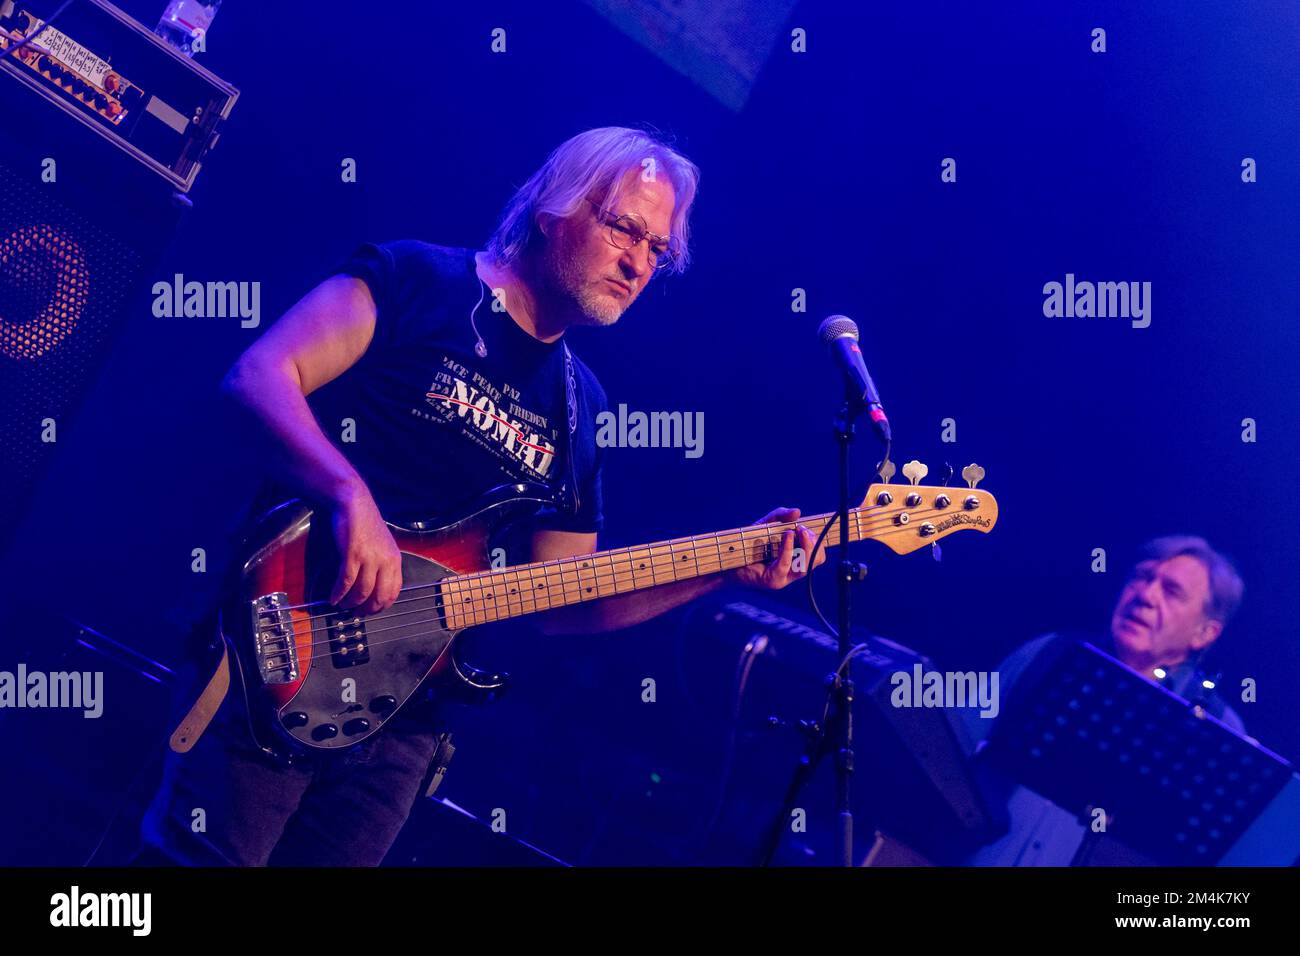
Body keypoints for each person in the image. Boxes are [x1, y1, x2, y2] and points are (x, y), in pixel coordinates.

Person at [134, 126, 825, 866]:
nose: (638, 262)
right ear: (555, 205)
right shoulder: (416, 282)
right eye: (625, 228)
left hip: (399, 731)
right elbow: (259, 379)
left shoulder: (579, 406)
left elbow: (566, 601)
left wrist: (724, 568)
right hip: (275, 656)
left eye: (658, 250)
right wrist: (348, 494)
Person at [959, 535, 1246, 866]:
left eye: (1171, 591)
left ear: (1205, 633)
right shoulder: (1049, 653)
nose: (1146, 595)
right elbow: (951, 755)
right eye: (1142, 576)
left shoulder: (1215, 726)